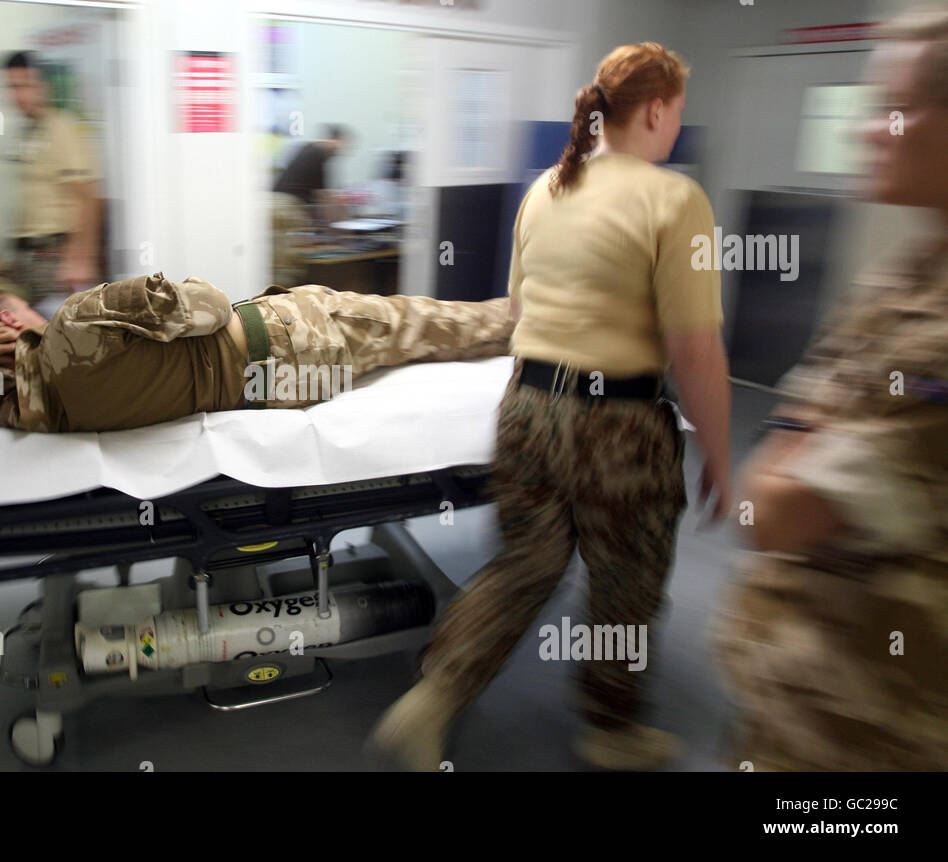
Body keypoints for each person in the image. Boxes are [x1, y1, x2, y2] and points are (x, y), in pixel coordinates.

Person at [369, 42, 732, 771]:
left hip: (528, 408)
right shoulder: (676, 199)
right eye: (676, 113)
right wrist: (722, 455)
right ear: (658, 111)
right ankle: (609, 728)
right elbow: (693, 349)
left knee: (526, 563)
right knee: (626, 581)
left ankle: (432, 700)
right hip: (619, 427)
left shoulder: (545, 189)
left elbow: (518, 308)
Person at [713, 7, 948, 771]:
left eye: (897, 109)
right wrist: (799, 436)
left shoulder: (934, 333)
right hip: (802, 689)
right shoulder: (904, 278)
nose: (866, 129)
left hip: (881, 725)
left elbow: (778, 511)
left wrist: (794, 434)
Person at [0, 274, 513, 432]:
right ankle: (538, 323)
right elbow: (209, 305)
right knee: (431, 323)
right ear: (12, 322)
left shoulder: (34, 410)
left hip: (277, 394)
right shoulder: (74, 323)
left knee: (411, 348)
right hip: (293, 339)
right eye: (24, 308)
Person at [2, 50, 103, 311]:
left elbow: (88, 196)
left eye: (23, 86)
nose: (16, 96)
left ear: (42, 87)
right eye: (11, 87)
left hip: (57, 255)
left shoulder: (62, 128)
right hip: (32, 256)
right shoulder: (28, 131)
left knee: (59, 338)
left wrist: (82, 258)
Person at [270, 125, 350, 285]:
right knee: (289, 268)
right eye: (344, 145)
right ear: (336, 140)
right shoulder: (320, 154)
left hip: (275, 203)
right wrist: (340, 230)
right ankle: (285, 302)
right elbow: (324, 198)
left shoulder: (308, 148)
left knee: (279, 262)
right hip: (285, 207)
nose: (342, 151)